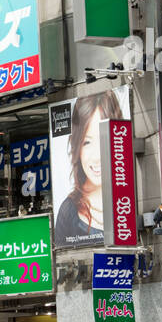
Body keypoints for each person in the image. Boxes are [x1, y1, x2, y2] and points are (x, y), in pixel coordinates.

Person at [53, 91, 125, 245]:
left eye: (103, 139)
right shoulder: (69, 211)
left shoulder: (127, 199)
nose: (97, 156)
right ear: (77, 148)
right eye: (87, 142)